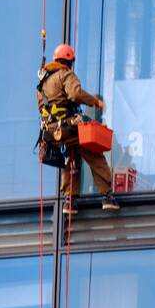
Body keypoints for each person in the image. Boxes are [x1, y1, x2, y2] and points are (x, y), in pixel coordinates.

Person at [37, 43, 120, 216]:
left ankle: (70, 200)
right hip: (67, 126)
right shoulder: (66, 74)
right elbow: (75, 94)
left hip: (51, 131)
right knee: (94, 152)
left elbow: (41, 107)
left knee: (72, 157)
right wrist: (94, 101)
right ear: (69, 61)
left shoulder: (43, 80)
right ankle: (107, 196)